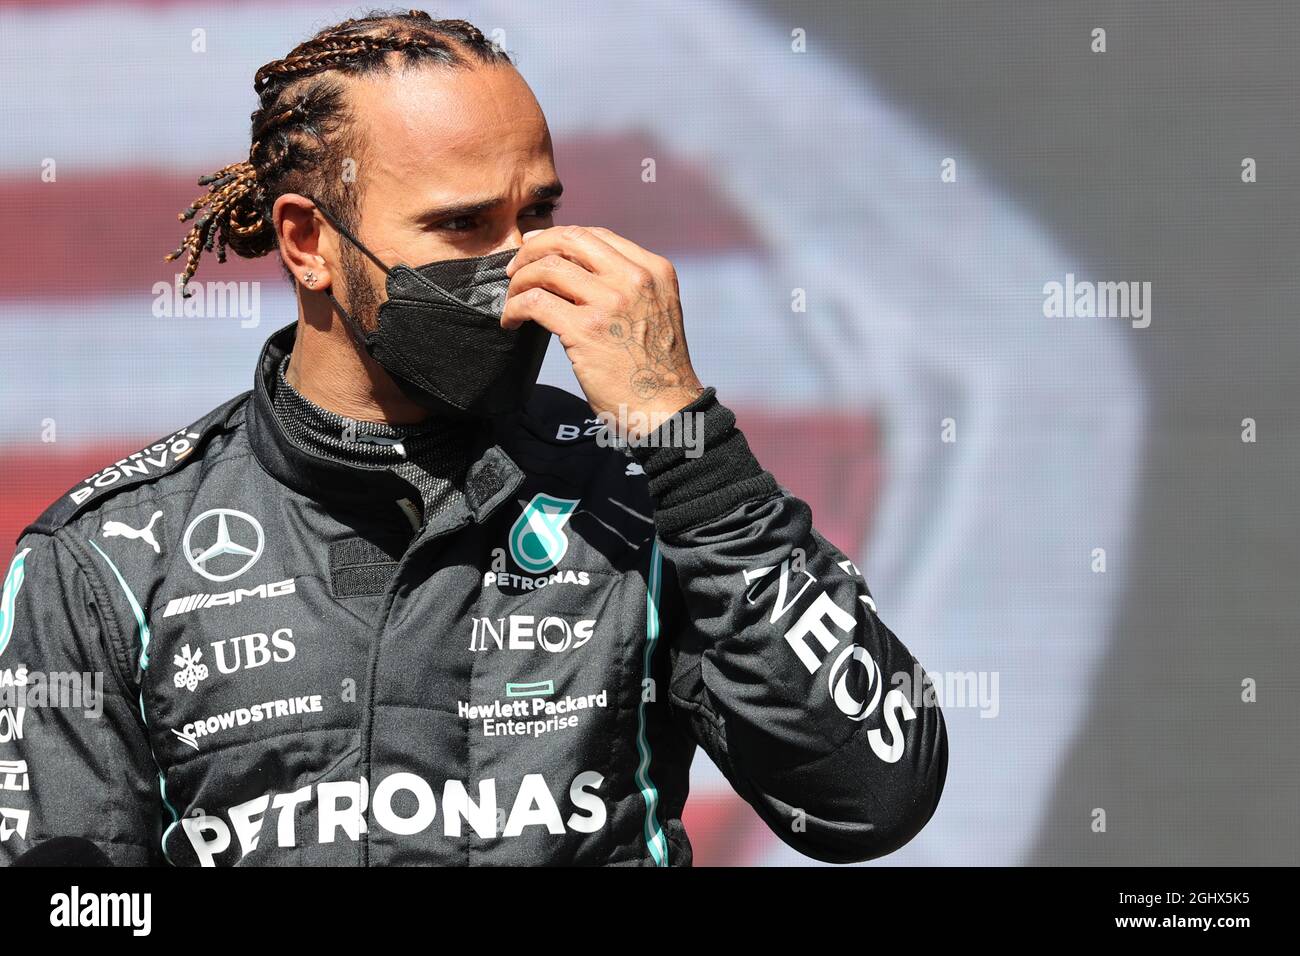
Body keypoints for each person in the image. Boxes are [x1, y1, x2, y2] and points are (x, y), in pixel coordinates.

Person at [0, 10, 946, 866]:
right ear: (307, 241)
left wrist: (685, 435)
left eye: (536, 214)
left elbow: (872, 797)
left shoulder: (651, 493)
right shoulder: (108, 562)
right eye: (463, 225)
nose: (519, 263)